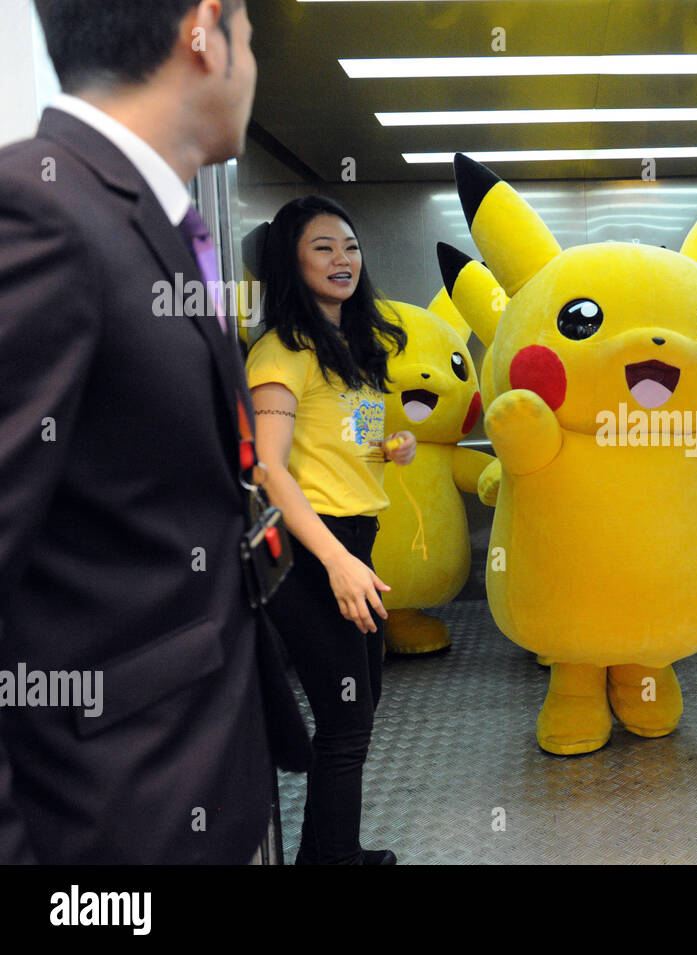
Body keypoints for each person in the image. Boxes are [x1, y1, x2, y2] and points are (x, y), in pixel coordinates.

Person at [0, 0, 312, 864]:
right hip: (106, 828)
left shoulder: (148, 224)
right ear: (205, 31)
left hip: (191, 786)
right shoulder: (38, 213)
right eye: (250, 39)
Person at [245, 195, 415, 865]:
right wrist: (338, 562)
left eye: (350, 245)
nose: (342, 259)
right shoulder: (280, 351)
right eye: (323, 247)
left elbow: (350, 439)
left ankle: (332, 852)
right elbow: (268, 468)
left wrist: (388, 446)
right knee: (346, 722)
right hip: (309, 548)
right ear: (291, 258)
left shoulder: (356, 349)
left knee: (358, 707)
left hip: (353, 537)